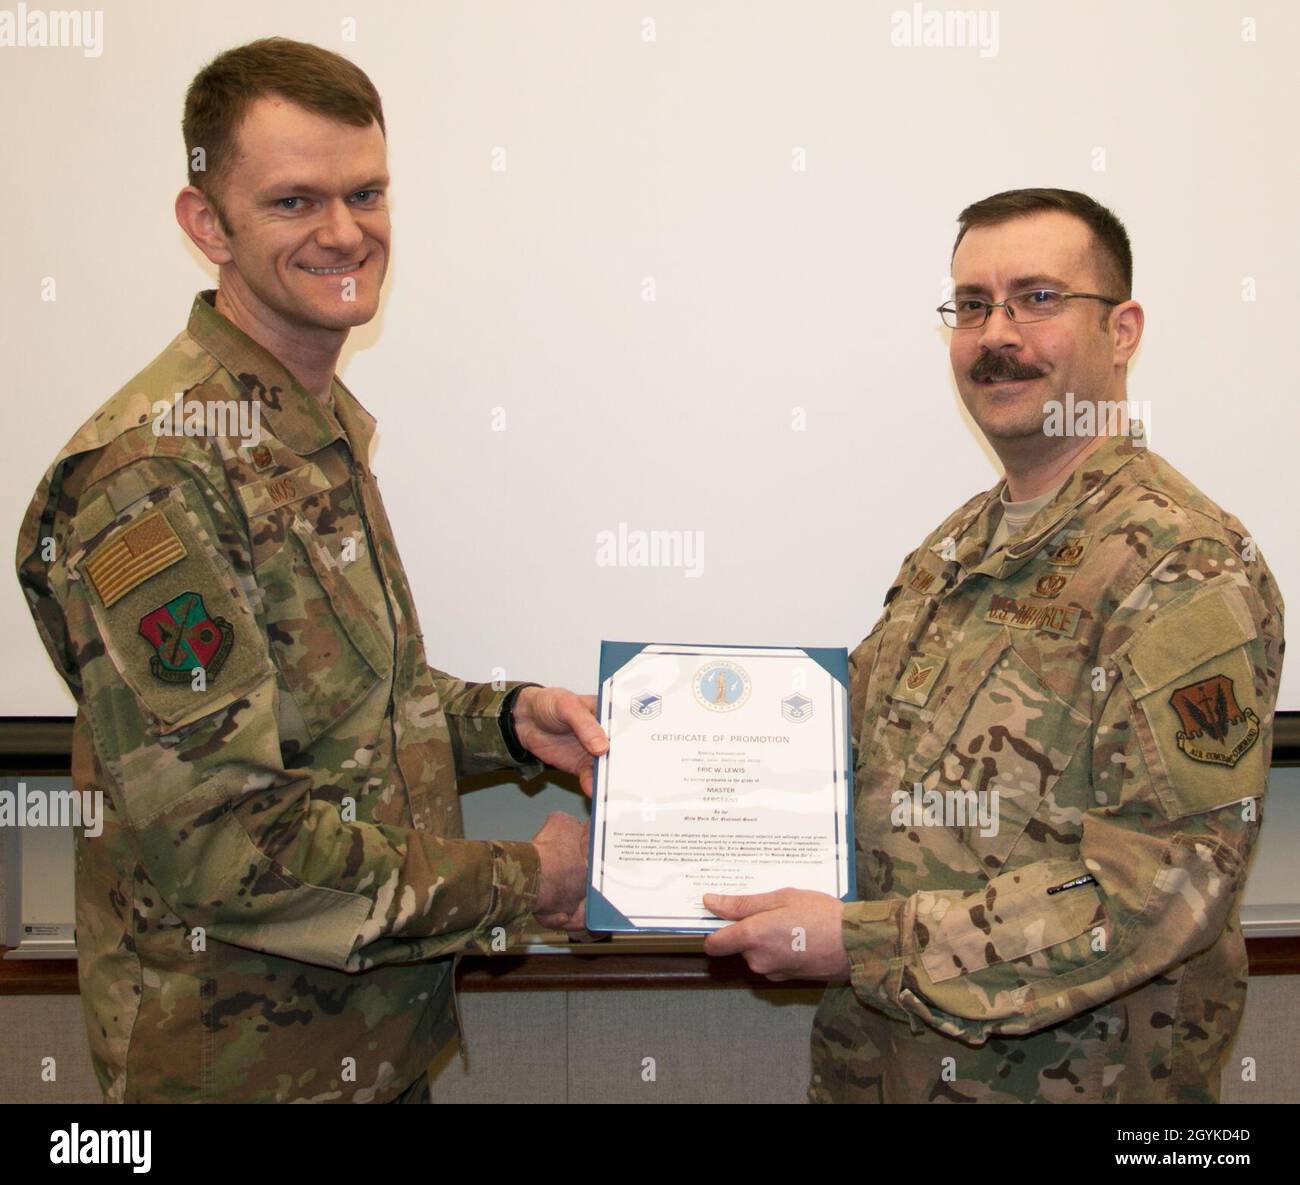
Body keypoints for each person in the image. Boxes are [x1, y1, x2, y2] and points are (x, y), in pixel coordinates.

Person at [15, 37, 604, 1105]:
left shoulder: (303, 428)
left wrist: (510, 719)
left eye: (366, 191)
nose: (345, 232)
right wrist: (530, 880)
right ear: (209, 226)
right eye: (293, 201)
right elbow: (229, 844)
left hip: (364, 1049)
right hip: (238, 1073)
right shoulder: (155, 473)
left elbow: (342, 710)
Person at [703, 188, 1285, 1103]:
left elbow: (1165, 887)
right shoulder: (953, 549)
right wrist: (654, 771)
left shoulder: (1184, 566)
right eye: (971, 305)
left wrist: (860, 942)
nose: (995, 334)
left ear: (1123, 329)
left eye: (1038, 299)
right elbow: (836, 761)